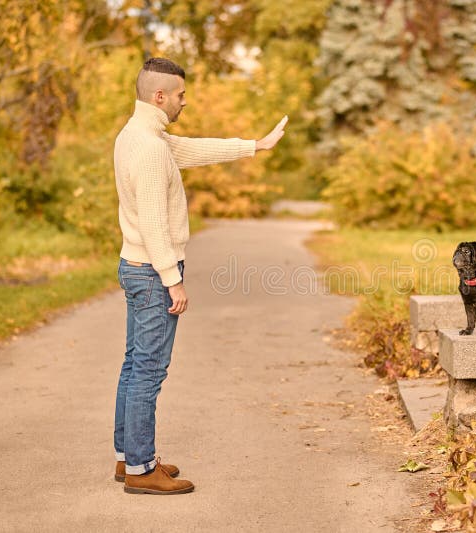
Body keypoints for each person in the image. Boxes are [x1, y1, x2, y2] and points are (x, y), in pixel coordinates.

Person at [112, 57, 287, 495]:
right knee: (149, 370)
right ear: (160, 96)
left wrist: (254, 146)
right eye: (180, 95)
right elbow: (153, 222)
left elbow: (190, 150)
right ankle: (139, 469)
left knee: (135, 365)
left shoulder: (137, 136)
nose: (184, 102)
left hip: (135, 266)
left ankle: (130, 457)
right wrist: (173, 279)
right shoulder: (150, 149)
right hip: (153, 273)